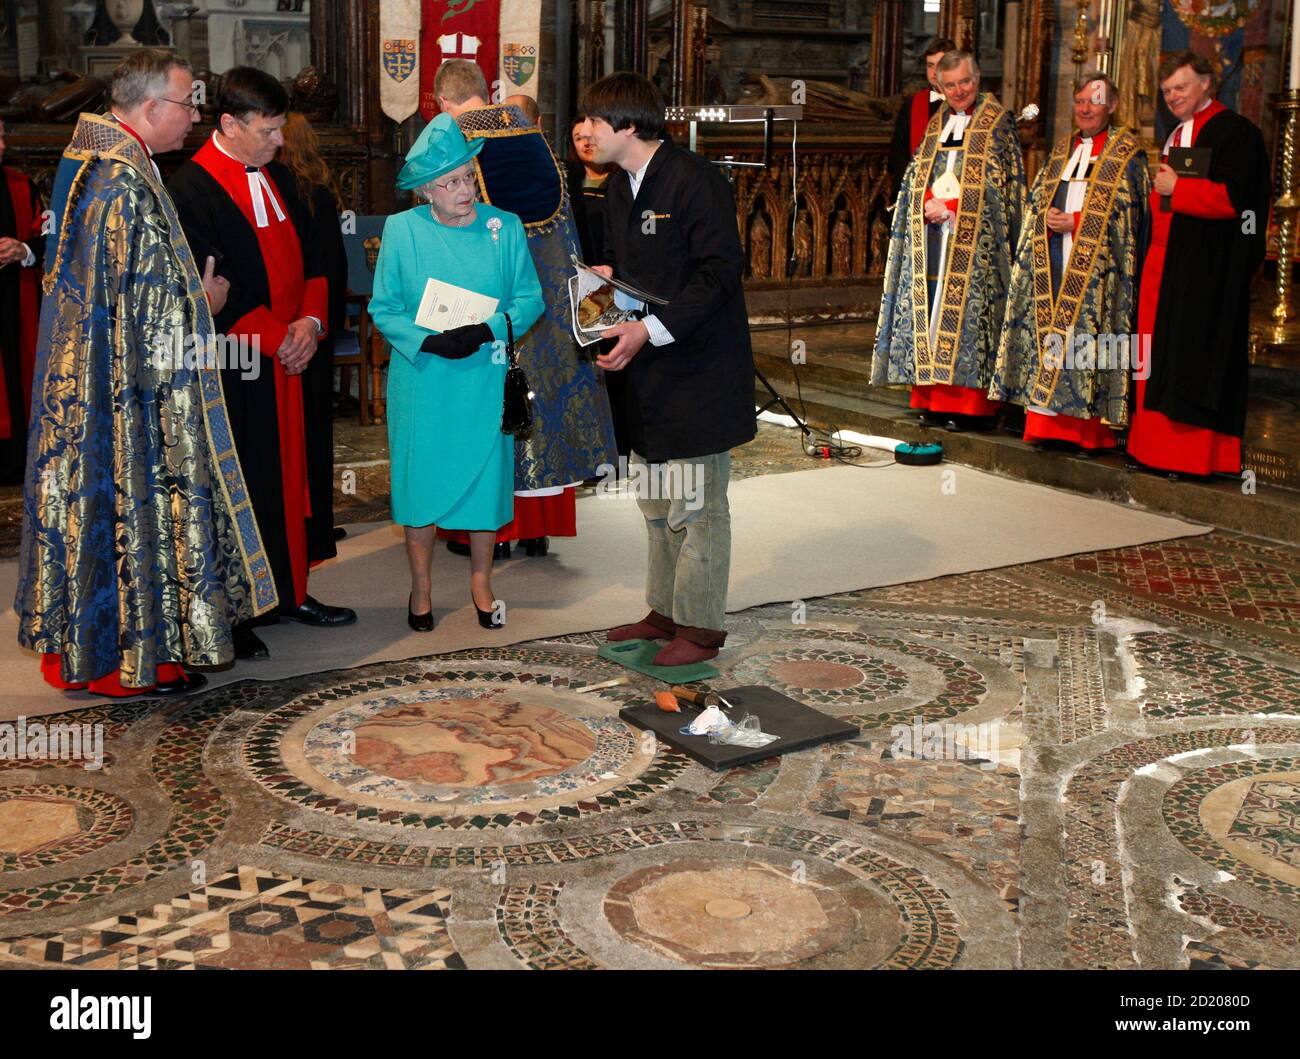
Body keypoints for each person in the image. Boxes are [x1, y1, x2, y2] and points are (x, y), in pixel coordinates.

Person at [15, 49, 277, 697]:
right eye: (188, 103)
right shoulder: (123, 180)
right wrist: (206, 305)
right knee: (125, 505)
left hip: (96, 376)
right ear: (151, 107)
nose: (194, 116)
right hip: (121, 390)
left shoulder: (99, 160)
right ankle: (121, 663)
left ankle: (122, 652)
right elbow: (150, 304)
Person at [169, 67, 356, 662]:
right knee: (241, 484)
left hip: (294, 357)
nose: (280, 140)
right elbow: (211, 285)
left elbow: (319, 258)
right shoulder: (191, 188)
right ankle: (241, 609)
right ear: (230, 124)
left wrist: (313, 325)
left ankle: (293, 588)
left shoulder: (279, 176)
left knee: (295, 478)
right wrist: (279, 339)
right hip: (240, 365)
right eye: (269, 129)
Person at [579, 72, 756, 667]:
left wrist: (648, 328)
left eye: (592, 122)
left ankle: (701, 626)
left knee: (698, 504)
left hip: (697, 367)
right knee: (656, 500)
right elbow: (639, 274)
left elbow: (719, 271)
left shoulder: (695, 179)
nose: (582, 132)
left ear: (627, 126)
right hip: (646, 367)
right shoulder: (619, 187)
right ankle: (665, 611)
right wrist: (606, 286)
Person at [434, 59, 616, 560]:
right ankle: (537, 527)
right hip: (550, 310)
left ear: (442, 103)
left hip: (492, 310)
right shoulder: (533, 137)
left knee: (490, 408)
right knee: (541, 406)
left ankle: (490, 530)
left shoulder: (454, 146)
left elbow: (449, 238)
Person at [369, 114, 544, 630]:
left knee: (486, 485)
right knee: (420, 483)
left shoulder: (504, 226)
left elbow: (530, 299)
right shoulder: (402, 230)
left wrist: (487, 329)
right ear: (425, 190)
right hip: (423, 375)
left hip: (483, 373)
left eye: (467, 176)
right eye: (449, 182)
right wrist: (427, 340)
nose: (464, 189)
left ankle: (481, 582)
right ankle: (421, 587)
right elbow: (385, 307)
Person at [1127, 50, 1270, 479]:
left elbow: (1241, 204)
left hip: (1204, 274)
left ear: (1207, 83)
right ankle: (1149, 449)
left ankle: (1185, 458)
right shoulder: (1178, 133)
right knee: (1153, 358)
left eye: (1181, 87)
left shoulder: (1236, 133)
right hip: (1163, 266)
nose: (1172, 97)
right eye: (1167, 90)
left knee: (1188, 362)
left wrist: (1179, 190)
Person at [991, 72, 1150, 455]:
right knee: (1049, 335)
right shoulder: (1061, 151)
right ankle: (1046, 428)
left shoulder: (1127, 154)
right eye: (1080, 100)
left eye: (1094, 101)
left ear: (1111, 105)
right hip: (1051, 261)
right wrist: (1044, 217)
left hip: (1099, 274)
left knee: (1088, 343)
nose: (1085, 108)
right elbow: (1035, 203)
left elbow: (1130, 215)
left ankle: (1086, 433)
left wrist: (1078, 223)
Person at [872, 50, 1025, 433]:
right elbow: (914, 176)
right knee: (933, 314)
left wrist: (955, 208)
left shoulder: (998, 123)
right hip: (933, 235)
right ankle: (932, 400)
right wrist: (924, 204)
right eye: (951, 84)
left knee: (969, 319)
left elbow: (1002, 190)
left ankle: (970, 406)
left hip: (975, 242)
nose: (960, 91)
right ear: (939, 85)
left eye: (966, 82)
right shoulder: (937, 123)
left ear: (978, 79)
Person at [278, 111, 345, 553]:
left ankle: (300, 523)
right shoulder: (316, 195)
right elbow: (334, 270)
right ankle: (318, 522)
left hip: (281, 332)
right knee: (316, 434)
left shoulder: (281, 194)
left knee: (290, 438)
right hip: (314, 331)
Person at [566, 114, 627, 460]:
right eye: (578, 138)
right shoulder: (566, 181)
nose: (586, 142)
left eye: (590, 136)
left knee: (611, 362)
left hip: (610, 285)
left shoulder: (620, 180)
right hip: (575, 283)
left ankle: (616, 448)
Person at [0, 117, 44, 483]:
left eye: (1, 137)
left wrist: (24, 248)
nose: (1, 146)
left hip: (16, 300)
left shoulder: (20, 186)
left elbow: (49, 239)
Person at [888, 36, 956, 201]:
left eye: (940, 65)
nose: (933, 73)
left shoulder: (967, 104)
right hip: (916, 193)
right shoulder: (914, 105)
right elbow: (899, 154)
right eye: (930, 65)